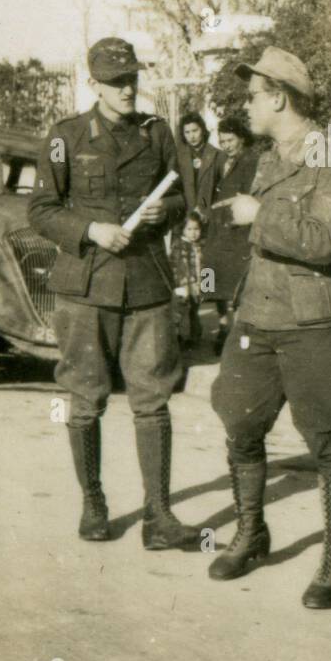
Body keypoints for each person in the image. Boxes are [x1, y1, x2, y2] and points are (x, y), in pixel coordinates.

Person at [28, 36, 199, 550]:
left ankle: (159, 516)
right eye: (115, 81)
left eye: (132, 79)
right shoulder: (67, 136)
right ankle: (93, 502)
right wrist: (92, 231)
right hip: (86, 285)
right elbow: (40, 209)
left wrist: (162, 213)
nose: (127, 89)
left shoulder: (157, 132)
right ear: (94, 83)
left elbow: (182, 198)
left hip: (146, 281)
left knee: (152, 400)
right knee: (86, 401)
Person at [209, 48, 331, 609]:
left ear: (277, 96)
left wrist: (259, 216)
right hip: (258, 314)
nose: (244, 105)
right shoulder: (269, 155)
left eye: (251, 95)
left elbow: (323, 240)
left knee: (327, 440)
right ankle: (252, 534)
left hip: (314, 319)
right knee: (239, 421)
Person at [199, 114, 258, 355]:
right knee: (210, 276)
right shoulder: (221, 160)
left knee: (235, 284)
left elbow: (250, 198)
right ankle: (222, 324)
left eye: (230, 140)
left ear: (242, 138)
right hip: (218, 230)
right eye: (222, 141)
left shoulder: (251, 161)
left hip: (238, 232)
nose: (226, 145)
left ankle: (237, 334)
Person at [176, 112, 222, 228]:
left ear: (202, 130)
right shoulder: (179, 157)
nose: (192, 136)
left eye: (195, 130)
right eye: (187, 132)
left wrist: (206, 210)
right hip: (186, 219)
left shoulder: (217, 155)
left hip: (209, 217)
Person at [172, 213, 205, 349]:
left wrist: (207, 288)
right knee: (179, 311)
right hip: (183, 284)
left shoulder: (202, 245)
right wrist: (177, 284)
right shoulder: (178, 245)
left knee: (194, 311)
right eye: (189, 229)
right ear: (183, 230)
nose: (193, 233)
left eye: (196, 229)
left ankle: (194, 336)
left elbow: (207, 266)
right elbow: (175, 265)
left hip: (197, 285)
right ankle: (177, 336)